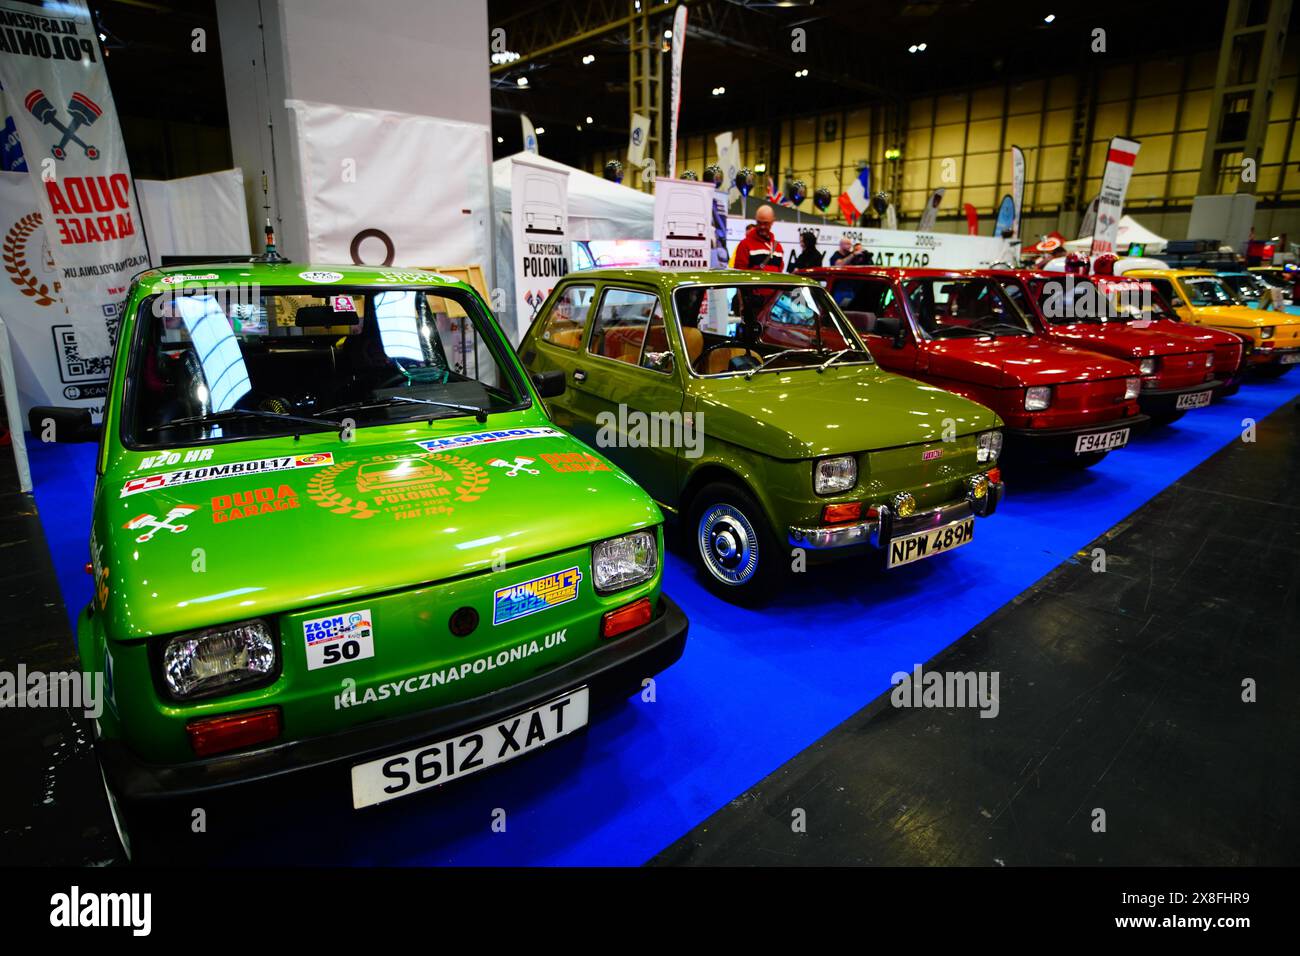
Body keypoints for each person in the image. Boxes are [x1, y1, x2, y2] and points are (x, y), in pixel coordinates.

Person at [733, 204, 784, 272]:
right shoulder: (745, 245)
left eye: (766, 223)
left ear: (772, 221)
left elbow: (779, 272)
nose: (762, 227)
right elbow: (740, 273)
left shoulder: (778, 247)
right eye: (759, 223)